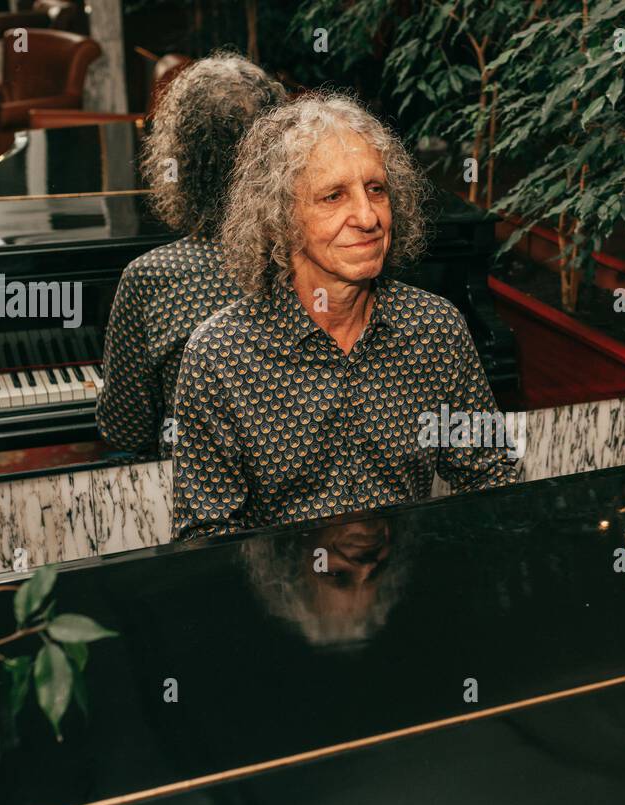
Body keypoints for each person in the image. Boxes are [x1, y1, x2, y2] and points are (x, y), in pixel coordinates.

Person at [171, 93, 519, 540]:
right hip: (283, 600)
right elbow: (206, 536)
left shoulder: (435, 329)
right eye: (333, 196)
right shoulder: (220, 356)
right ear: (279, 219)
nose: (367, 216)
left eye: (376, 190)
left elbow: (491, 474)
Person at [96, 53, 286, 455]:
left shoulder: (151, 278)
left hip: (200, 501)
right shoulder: (320, 259)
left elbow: (125, 431)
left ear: (180, 156)